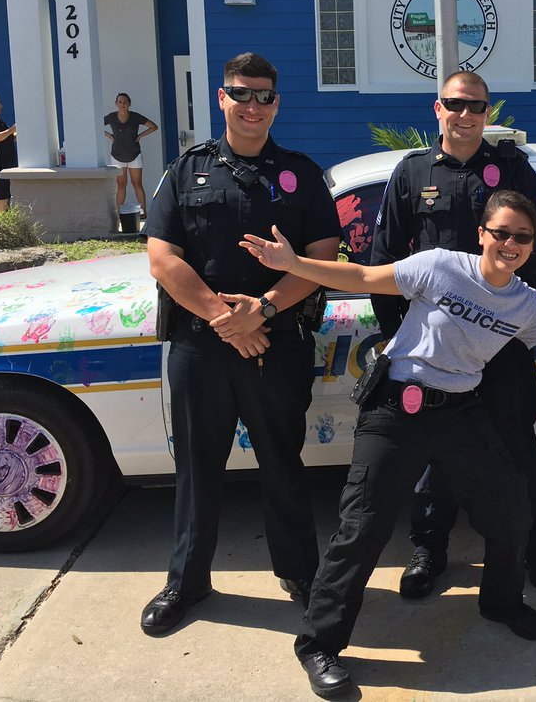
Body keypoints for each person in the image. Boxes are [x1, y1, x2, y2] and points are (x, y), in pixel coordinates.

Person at [239, 189, 536, 699]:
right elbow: (365, 277)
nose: (510, 243)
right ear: (482, 233)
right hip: (396, 407)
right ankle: (319, 644)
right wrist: (292, 263)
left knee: (511, 512)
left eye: (521, 237)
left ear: (532, 245)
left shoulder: (525, 303)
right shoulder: (440, 266)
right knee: (362, 525)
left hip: (459, 413)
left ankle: (501, 602)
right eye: (500, 232)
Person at [140, 52, 341, 636]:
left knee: (283, 461)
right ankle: (187, 580)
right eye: (242, 94)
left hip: (276, 343)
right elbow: (161, 257)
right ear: (222, 99)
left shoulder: (302, 174)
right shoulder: (186, 170)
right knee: (198, 467)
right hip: (201, 346)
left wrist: (265, 310)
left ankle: (301, 574)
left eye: (264, 96)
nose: (254, 106)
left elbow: (323, 257)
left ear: (276, 104)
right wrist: (223, 318)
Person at [369, 69, 536, 598]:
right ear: (439, 108)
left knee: (516, 447)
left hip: (497, 345)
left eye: (476, 106)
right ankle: (429, 550)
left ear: (486, 113)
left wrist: (507, 310)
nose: (465, 115)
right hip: (431, 352)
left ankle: (535, 547)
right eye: (455, 104)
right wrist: (404, 341)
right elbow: (383, 258)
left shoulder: (511, 171)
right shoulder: (411, 173)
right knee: (431, 452)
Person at [103, 92, 159, 215]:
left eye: (125, 102)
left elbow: (154, 127)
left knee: (137, 183)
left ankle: (143, 212)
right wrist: (108, 135)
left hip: (134, 154)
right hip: (117, 155)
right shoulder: (111, 117)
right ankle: (118, 213)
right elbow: (96, 125)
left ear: (129, 103)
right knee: (121, 184)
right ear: (116, 103)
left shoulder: (135, 117)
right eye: (120, 102)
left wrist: (140, 136)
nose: (122, 104)